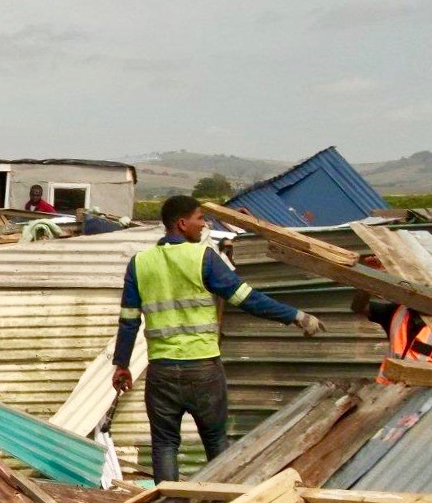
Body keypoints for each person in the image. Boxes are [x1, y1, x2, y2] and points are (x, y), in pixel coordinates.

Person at [111, 195, 325, 482]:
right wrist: (296, 316)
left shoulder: (140, 264)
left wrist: (122, 365)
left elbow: (128, 321)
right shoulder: (203, 257)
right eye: (200, 218)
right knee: (215, 442)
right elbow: (247, 299)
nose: (204, 225)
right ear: (182, 223)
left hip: (162, 371)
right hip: (203, 369)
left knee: (164, 444)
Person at [353, 291, 432, 383]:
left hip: (419, 392)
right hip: (385, 389)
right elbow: (359, 307)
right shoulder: (397, 312)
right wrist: (366, 286)